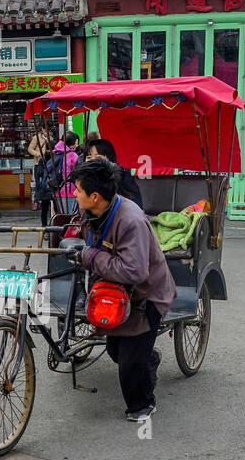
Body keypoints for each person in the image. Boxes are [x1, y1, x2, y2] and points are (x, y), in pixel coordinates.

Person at [68, 156, 175, 422]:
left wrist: (90, 257)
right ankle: (147, 359)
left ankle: (142, 404)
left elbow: (135, 272)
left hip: (147, 294)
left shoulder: (131, 221)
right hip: (115, 294)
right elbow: (82, 236)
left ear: (95, 196)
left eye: (78, 189)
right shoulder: (90, 210)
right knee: (115, 350)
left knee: (129, 364)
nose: (74, 193)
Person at [85, 138, 144, 208]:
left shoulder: (124, 178)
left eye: (97, 156)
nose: (92, 160)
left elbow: (136, 206)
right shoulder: (84, 180)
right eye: (89, 157)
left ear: (109, 157)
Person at [28, 122, 54, 225]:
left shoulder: (51, 139)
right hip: (38, 164)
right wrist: (38, 154)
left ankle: (44, 201)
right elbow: (30, 149)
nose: (47, 132)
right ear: (42, 130)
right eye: (46, 130)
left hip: (48, 165)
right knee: (39, 184)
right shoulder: (36, 138)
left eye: (49, 130)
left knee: (46, 183)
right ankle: (39, 200)